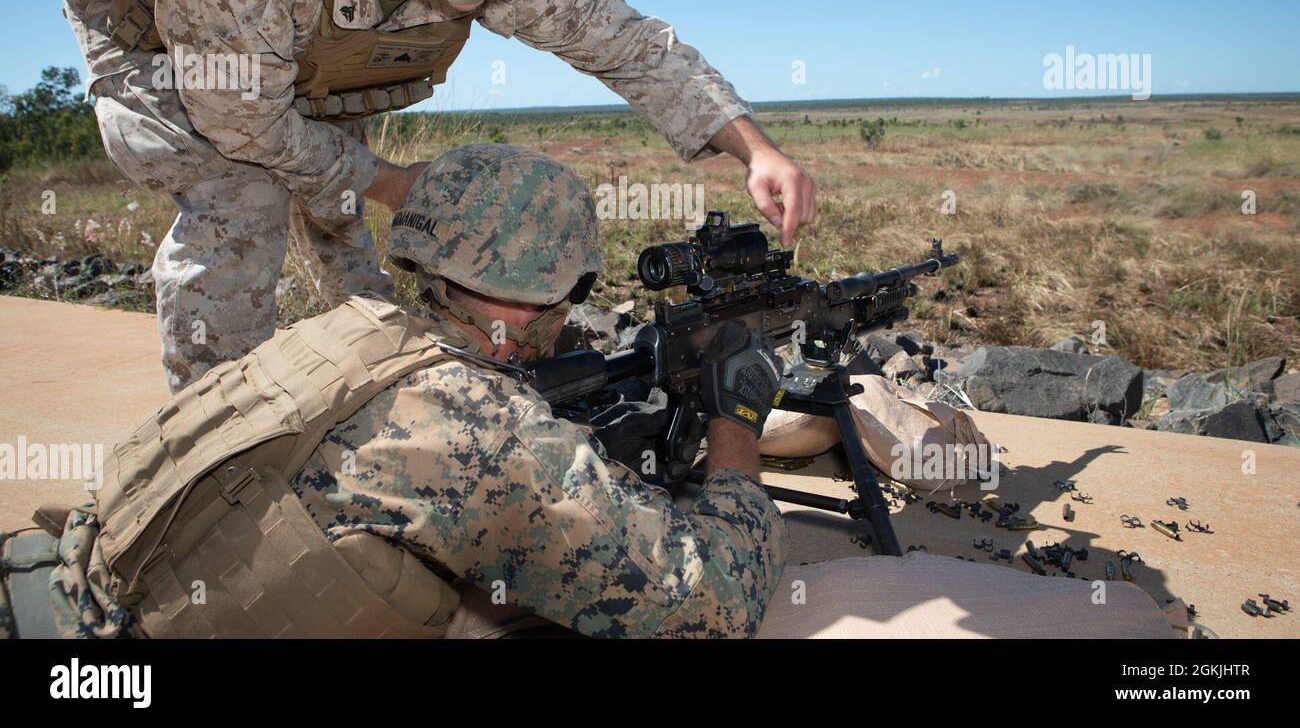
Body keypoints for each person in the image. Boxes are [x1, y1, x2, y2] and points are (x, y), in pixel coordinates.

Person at [3, 146, 1184, 639]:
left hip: (69, 597)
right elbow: (714, 597)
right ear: (528, 298)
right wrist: (729, 416)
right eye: (568, 291)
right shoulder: (491, 435)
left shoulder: (343, 328)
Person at [58, 0, 817, 393]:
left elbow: (623, 38)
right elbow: (242, 123)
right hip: (168, 44)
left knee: (335, 196)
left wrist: (753, 150)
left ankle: (381, 368)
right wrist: (393, 183)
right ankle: (210, 447)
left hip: (298, 42)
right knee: (244, 192)